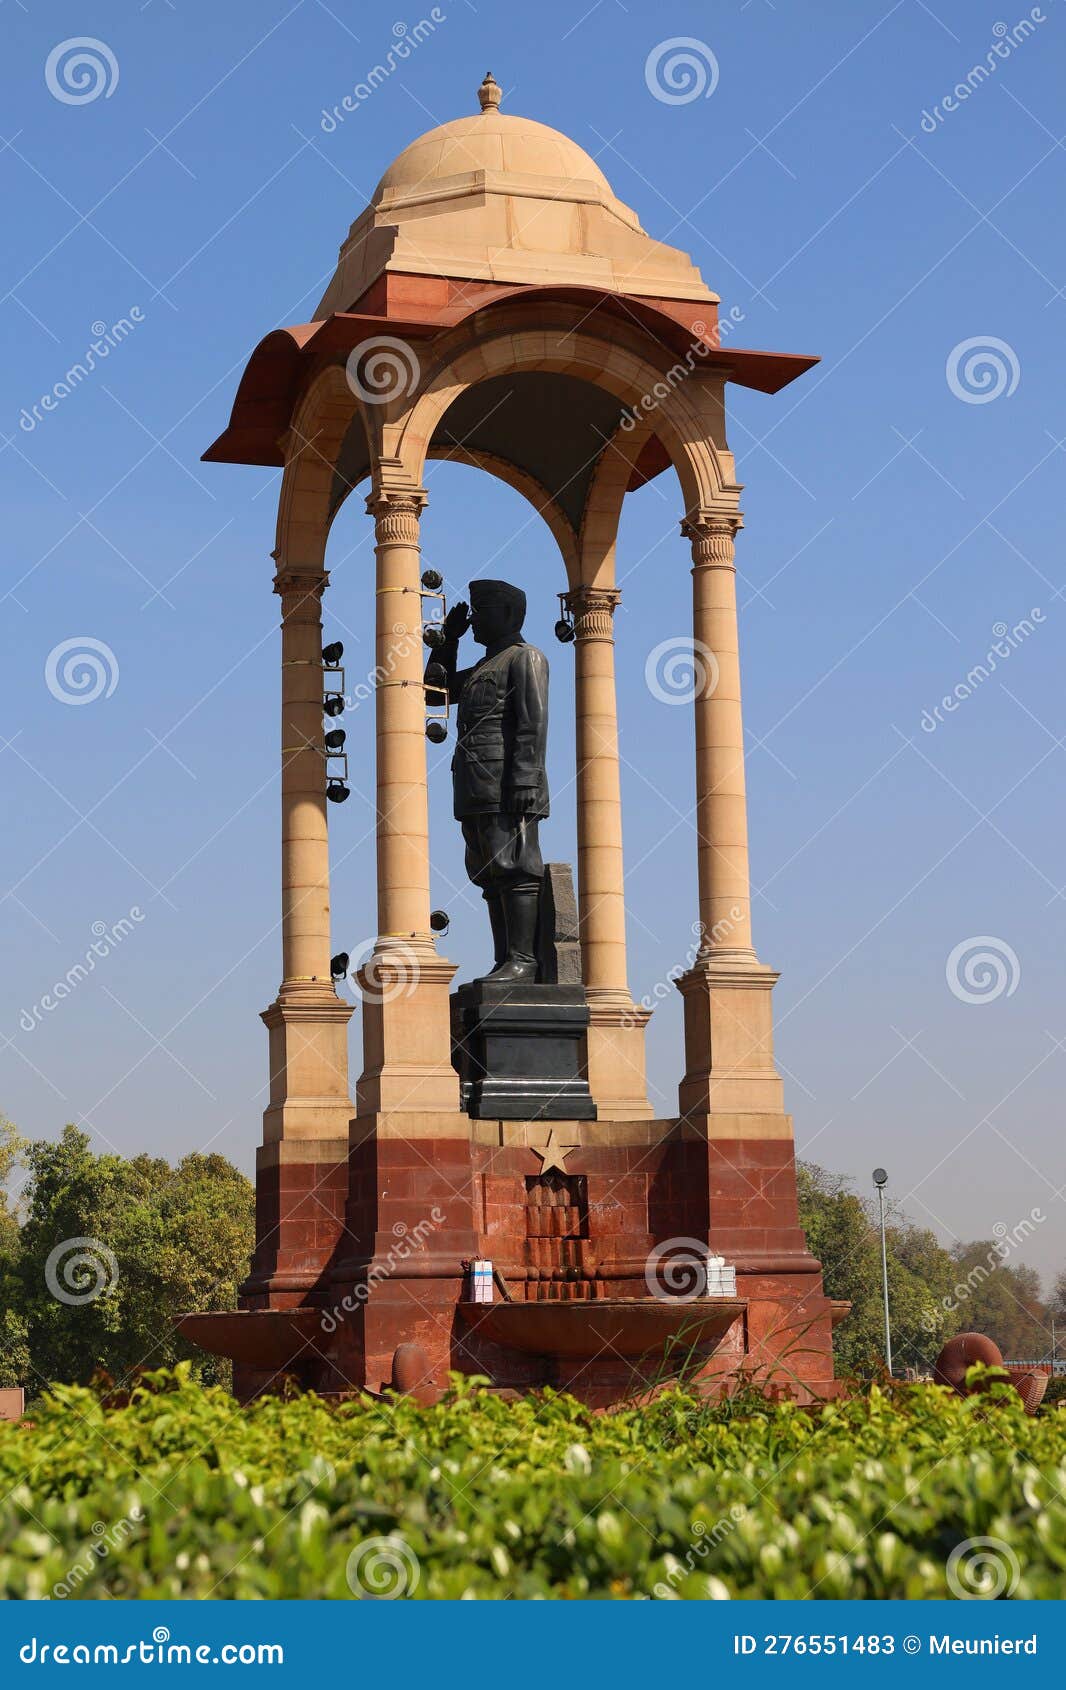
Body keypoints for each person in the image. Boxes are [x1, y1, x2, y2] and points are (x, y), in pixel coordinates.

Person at [433, 579, 549, 983]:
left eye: (482, 612)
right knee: (487, 870)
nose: (475, 619)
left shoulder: (525, 658)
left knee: (515, 866)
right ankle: (505, 961)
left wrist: (525, 781)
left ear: (508, 615)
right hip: (475, 786)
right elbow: (435, 690)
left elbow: (533, 723)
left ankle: (523, 961)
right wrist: (448, 639)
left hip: (509, 785)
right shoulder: (485, 666)